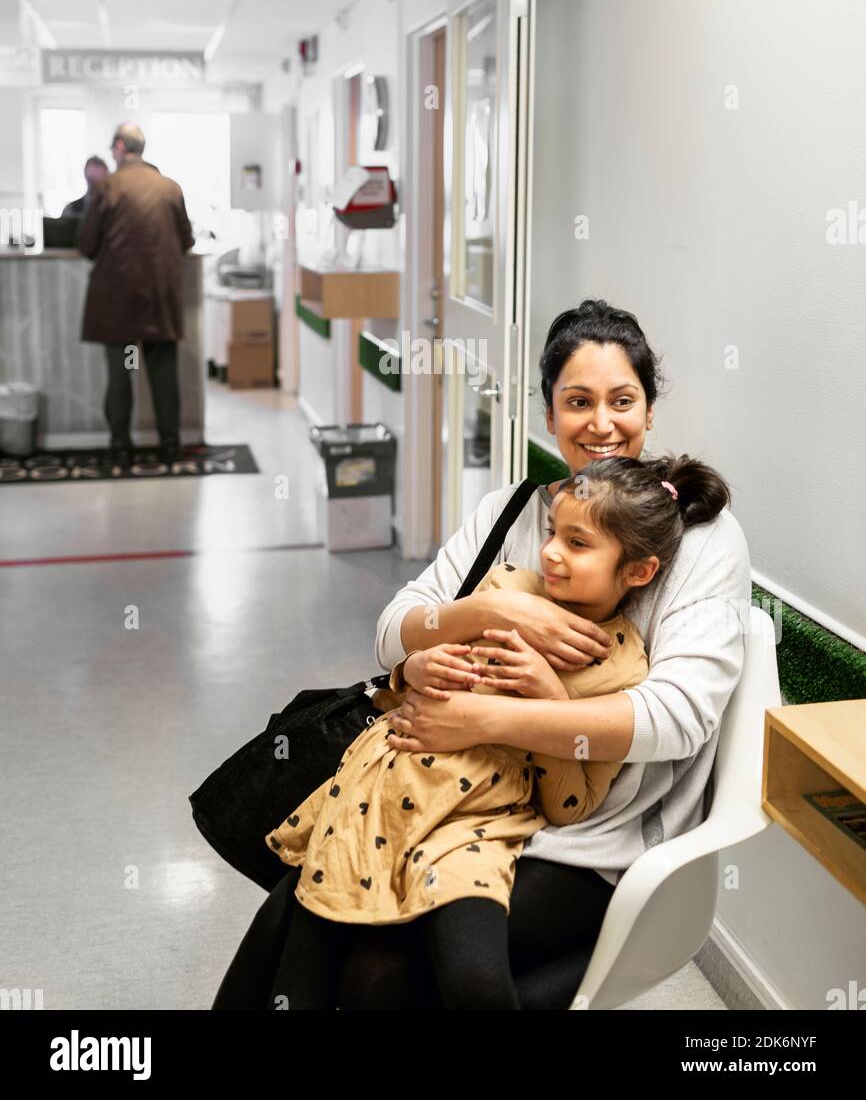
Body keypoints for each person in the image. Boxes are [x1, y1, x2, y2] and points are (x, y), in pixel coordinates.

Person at [211, 299, 751, 1010]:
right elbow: (394, 628)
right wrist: (477, 618)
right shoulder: (513, 513)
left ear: (649, 411)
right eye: (577, 401)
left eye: (623, 400)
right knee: (298, 904)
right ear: (548, 413)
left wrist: (483, 719)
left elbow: (676, 718)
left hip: (593, 841)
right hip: (451, 802)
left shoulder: (701, 540)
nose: (601, 423)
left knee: (378, 972)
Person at [260, 453, 729, 1010]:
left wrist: (546, 700)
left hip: (472, 831)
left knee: (459, 984)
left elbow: (570, 801)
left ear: (639, 571)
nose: (551, 552)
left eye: (577, 544)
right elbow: (412, 668)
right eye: (553, 533)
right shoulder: (505, 585)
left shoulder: (620, 666)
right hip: (377, 795)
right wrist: (415, 666)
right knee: (294, 954)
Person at [77, 123, 194, 466]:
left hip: (120, 309)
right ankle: (170, 446)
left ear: (118, 147)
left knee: (122, 372)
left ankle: (120, 446)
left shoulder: (108, 187)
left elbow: (86, 244)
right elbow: (187, 242)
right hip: (159, 303)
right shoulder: (170, 188)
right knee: (162, 374)